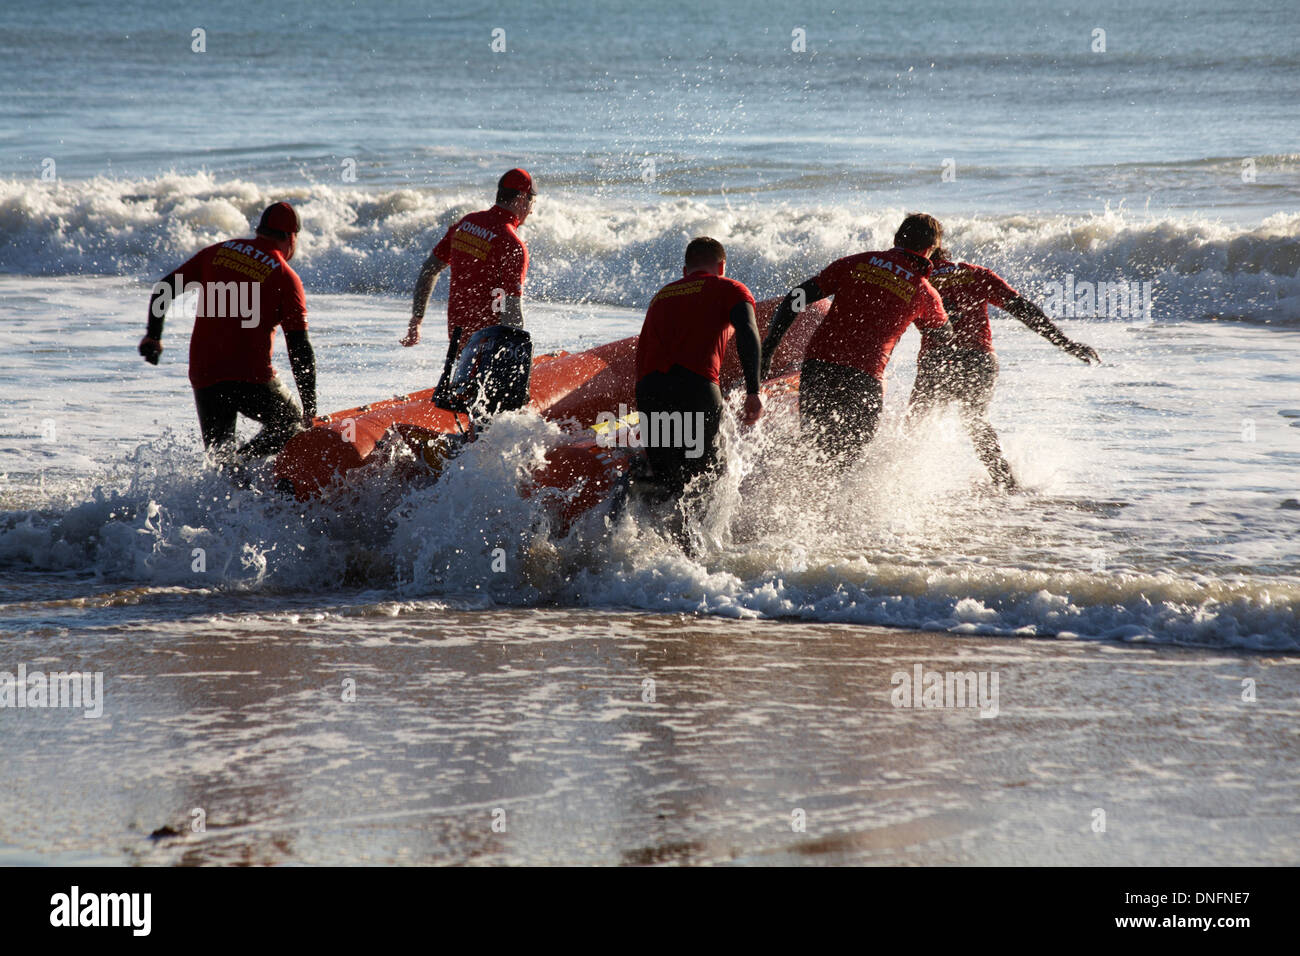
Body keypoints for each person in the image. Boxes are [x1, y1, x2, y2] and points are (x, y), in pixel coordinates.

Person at [761, 213, 953, 465]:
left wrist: (768, 352)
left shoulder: (856, 263)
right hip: (863, 378)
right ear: (930, 250)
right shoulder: (924, 292)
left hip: (819, 368)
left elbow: (795, 298)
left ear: (896, 238)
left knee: (814, 448)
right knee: (848, 462)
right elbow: (944, 336)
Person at [906, 247, 1101, 490]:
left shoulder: (916, 280)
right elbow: (1022, 308)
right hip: (979, 360)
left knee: (915, 424)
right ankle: (1005, 483)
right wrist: (1065, 343)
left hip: (939, 360)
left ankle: (902, 484)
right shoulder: (976, 274)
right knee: (976, 422)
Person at [138, 201, 316, 460]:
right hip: (250, 377)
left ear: (260, 231)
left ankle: (230, 472)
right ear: (291, 236)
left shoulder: (218, 252)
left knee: (220, 459)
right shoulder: (285, 277)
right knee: (291, 424)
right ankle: (243, 462)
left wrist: (153, 335)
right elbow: (300, 349)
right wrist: (310, 410)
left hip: (205, 373)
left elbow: (164, 289)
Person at [634, 237, 764, 521]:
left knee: (668, 483)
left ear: (685, 270)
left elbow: (642, 356)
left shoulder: (662, 295)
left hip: (651, 391)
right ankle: (698, 555)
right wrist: (754, 390)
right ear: (722, 266)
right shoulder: (730, 288)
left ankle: (644, 545)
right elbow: (747, 331)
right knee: (706, 477)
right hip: (695, 389)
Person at [403, 168, 535, 356]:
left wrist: (416, 320)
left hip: (458, 341)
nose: (531, 211)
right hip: (489, 348)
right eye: (533, 203)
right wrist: (513, 358)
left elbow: (429, 269)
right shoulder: (512, 244)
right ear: (522, 198)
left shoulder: (467, 223)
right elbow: (511, 310)